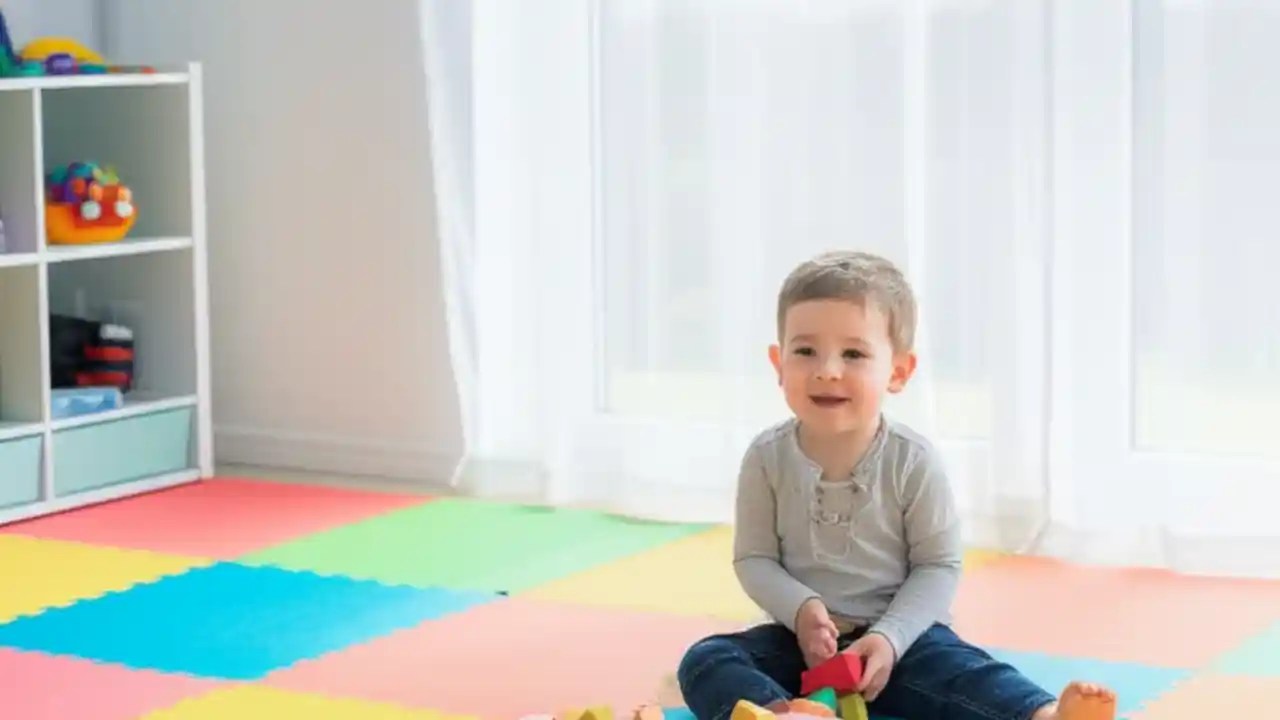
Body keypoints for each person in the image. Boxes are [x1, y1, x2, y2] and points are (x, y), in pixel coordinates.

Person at [675, 251, 1115, 720]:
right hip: (797, 641)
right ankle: (785, 715)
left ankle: (1044, 716)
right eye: (805, 351)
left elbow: (937, 566)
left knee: (967, 675)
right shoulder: (766, 457)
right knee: (708, 661)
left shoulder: (913, 460)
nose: (826, 369)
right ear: (778, 362)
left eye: (853, 354)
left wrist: (888, 638)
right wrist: (802, 612)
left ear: (899, 371)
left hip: (903, 640)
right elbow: (755, 559)